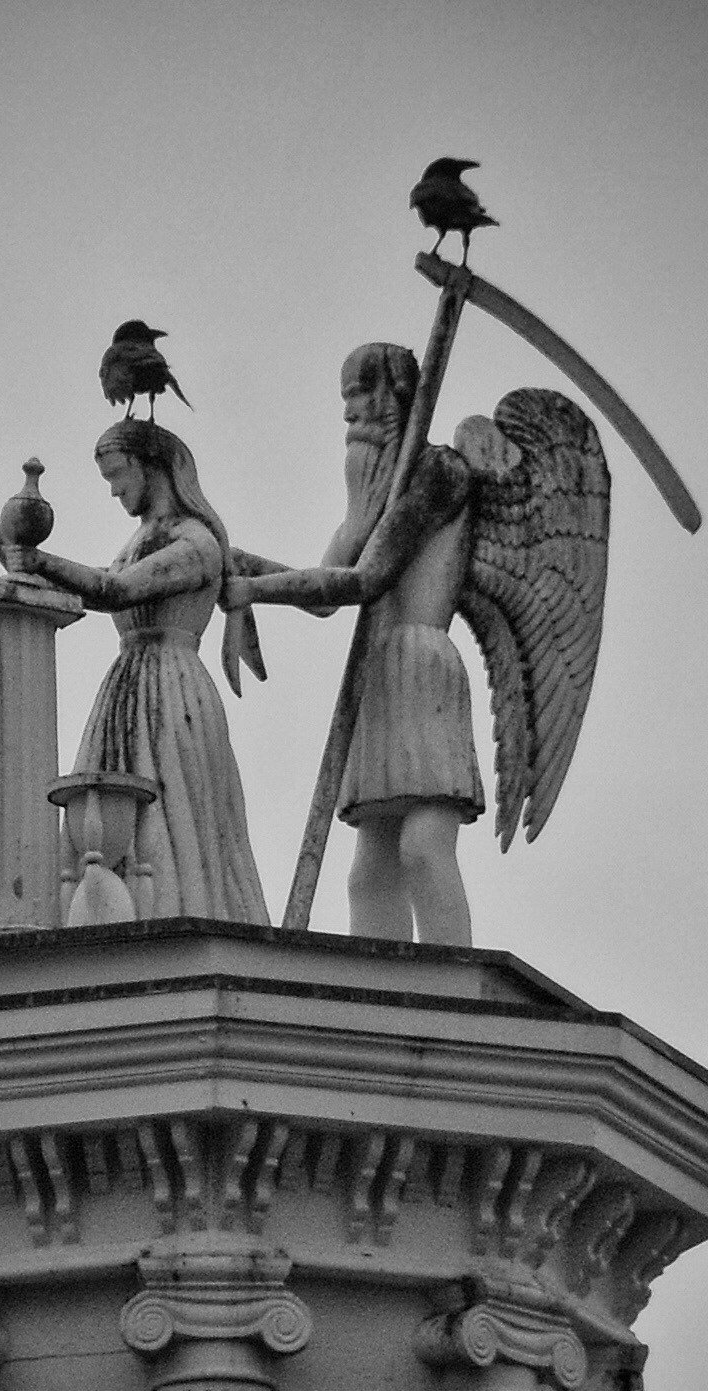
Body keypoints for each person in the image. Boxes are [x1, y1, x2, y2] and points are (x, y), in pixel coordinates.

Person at [0, 421, 270, 926]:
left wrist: (38, 557)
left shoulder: (196, 542)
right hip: (127, 686)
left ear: (153, 465)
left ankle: (177, 921)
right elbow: (63, 585)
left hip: (172, 690)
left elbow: (113, 590)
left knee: (170, 823)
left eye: (118, 474)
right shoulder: (139, 540)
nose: (114, 489)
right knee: (101, 823)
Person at [227, 342, 482, 945]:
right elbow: (323, 595)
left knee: (423, 845)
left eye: (366, 399)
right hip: (377, 673)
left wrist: (254, 589)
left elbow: (364, 581)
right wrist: (241, 567)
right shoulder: (372, 496)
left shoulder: (437, 474)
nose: (354, 417)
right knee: (369, 869)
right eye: (348, 403)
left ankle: (449, 995)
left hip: (422, 664)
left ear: (398, 399)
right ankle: (378, 997)